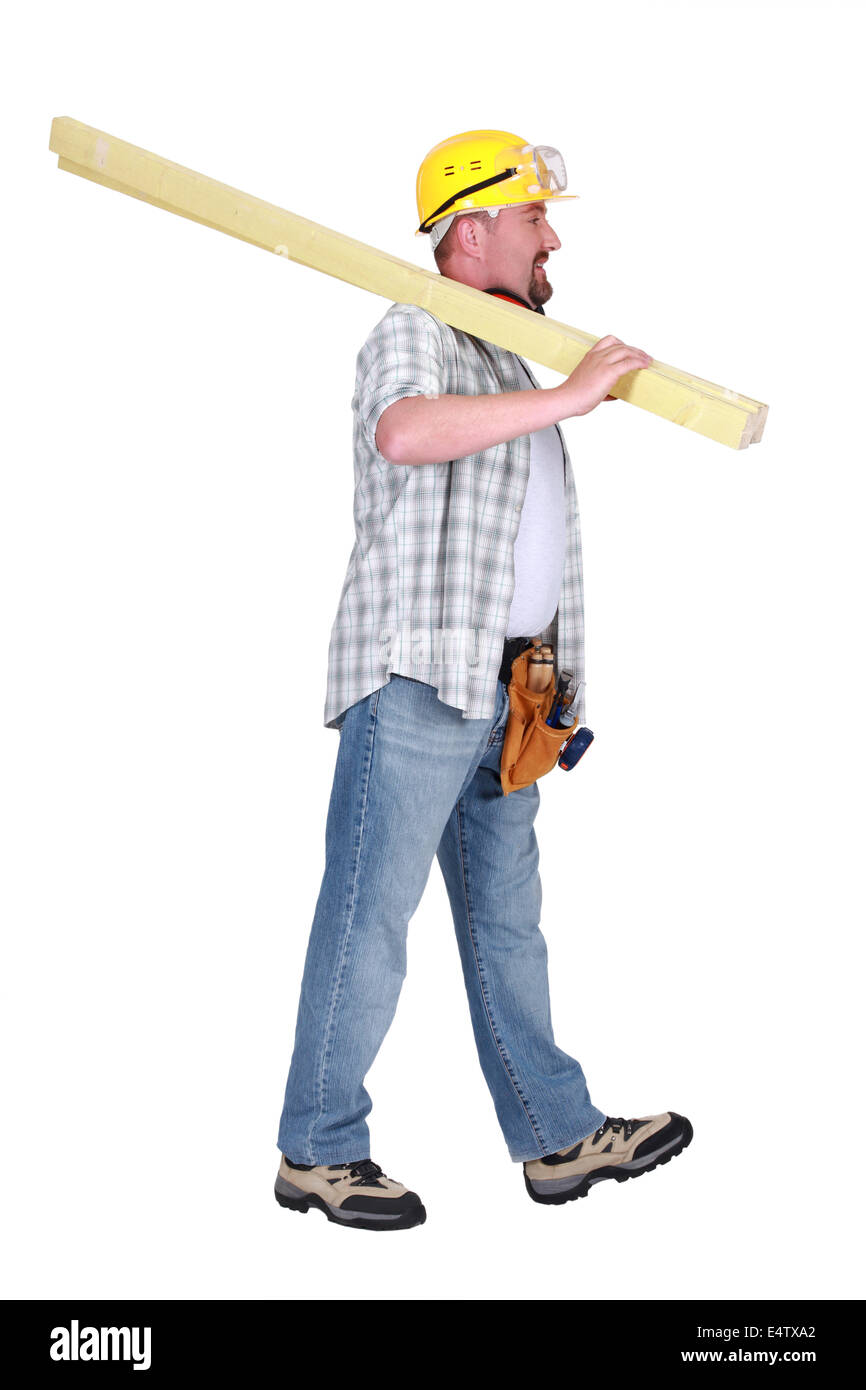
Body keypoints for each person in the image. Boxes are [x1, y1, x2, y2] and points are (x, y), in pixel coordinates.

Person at [274, 130, 692, 1231]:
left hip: (506, 696)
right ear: (473, 230)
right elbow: (404, 432)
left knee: (509, 924)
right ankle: (317, 1150)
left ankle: (556, 1137)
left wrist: (550, 687)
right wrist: (568, 397)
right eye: (534, 216)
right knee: (369, 916)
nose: (550, 236)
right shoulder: (413, 330)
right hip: (417, 685)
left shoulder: (507, 357)